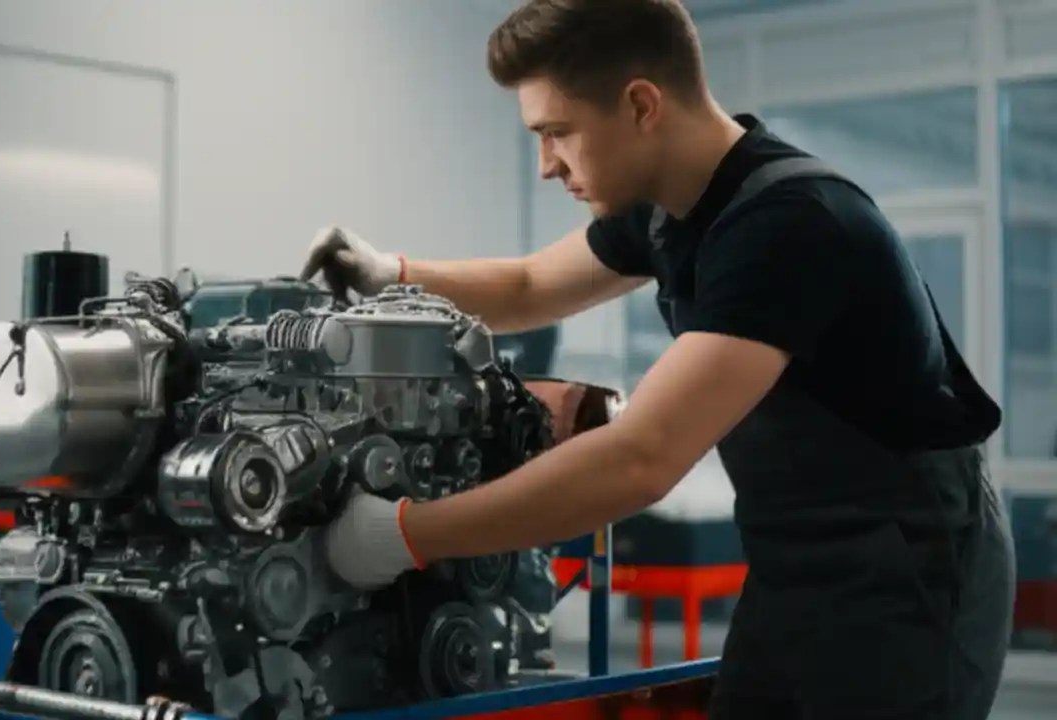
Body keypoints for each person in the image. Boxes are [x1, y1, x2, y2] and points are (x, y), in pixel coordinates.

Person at [299, 1, 1016, 718]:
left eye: (558, 133)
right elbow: (528, 285)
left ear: (641, 104)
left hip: (914, 568)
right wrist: (388, 272)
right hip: (795, 555)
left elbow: (640, 458)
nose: (547, 165)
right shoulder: (667, 207)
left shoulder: (790, 225)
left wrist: (402, 536)